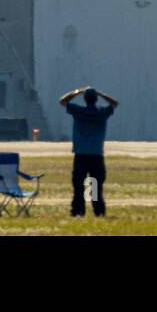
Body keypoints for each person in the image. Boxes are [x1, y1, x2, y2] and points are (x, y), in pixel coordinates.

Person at [59, 86, 118, 216]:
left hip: (80, 154)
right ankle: (98, 211)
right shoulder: (102, 113)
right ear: (96, 99)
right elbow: (114, 104)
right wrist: (102, 93)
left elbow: (63, 101)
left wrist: (77, 91)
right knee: (95, 187)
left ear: (85, 99)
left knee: (79, 186)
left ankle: (78, 211)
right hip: (96, 155)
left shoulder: (78, 111)